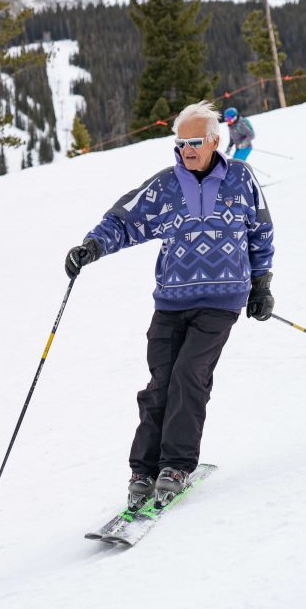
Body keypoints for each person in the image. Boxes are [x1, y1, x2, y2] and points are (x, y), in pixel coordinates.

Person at [64, 100, 275, 509]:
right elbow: (124, 221)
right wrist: (90, 247)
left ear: (215, 141)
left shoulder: (241, 179)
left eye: (195, 142)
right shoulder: (165, 185)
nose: (186, 150)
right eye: (180, 144)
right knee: (160, 384)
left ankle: (176, 464)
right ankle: (143, 470)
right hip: (172, 301)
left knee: (189, 375)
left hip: (221, 301)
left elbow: (261, 232)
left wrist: (261, 284)